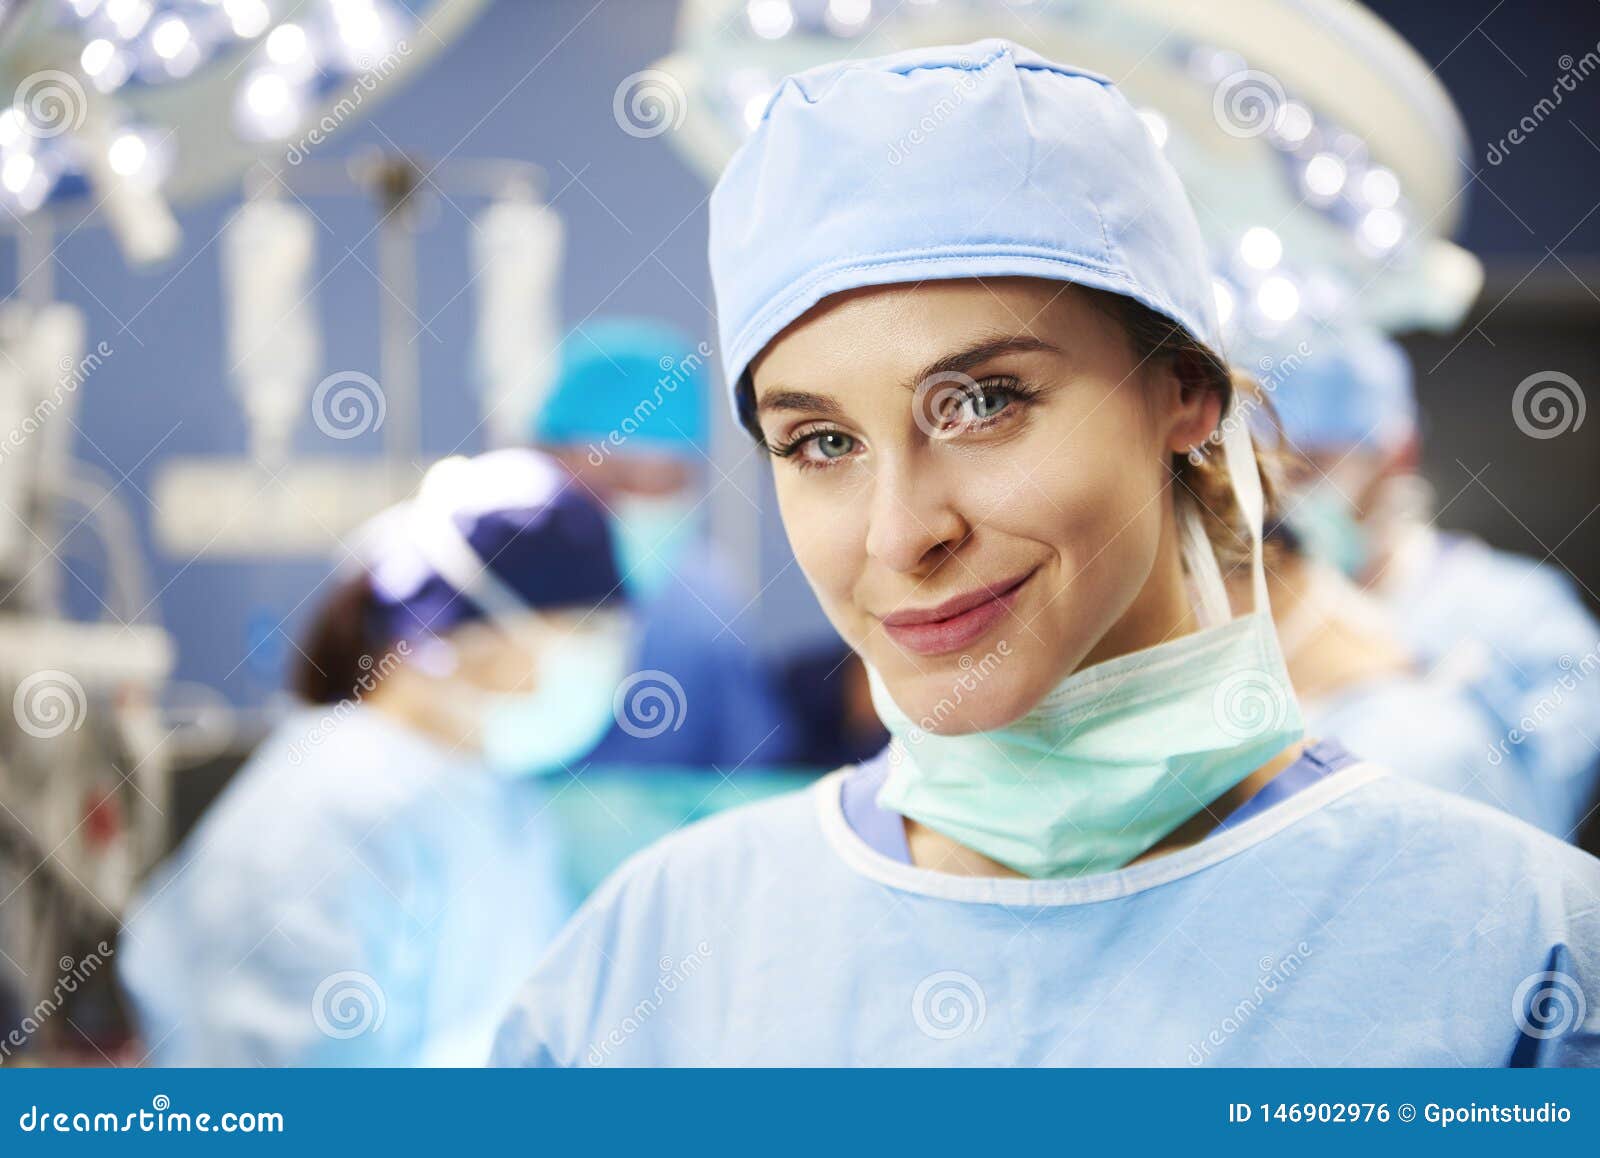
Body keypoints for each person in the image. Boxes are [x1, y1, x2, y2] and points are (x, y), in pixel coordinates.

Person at [492, 42, 1600, 1066]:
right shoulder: (657, 962)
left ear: (1185, 394)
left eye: (982, 402)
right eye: (819, 441)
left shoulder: (1518, 951)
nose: (898, 532)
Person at [119, 449, 632, 1065]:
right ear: (458, 633)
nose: (601, 666)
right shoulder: (330, 812)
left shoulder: (489, 796)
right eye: (583, 634)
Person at [1270, 331, 1600, 838]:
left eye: (1314, 463)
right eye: (1276, 471)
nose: (1292, 494)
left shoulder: (1523, 614)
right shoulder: (1261, 622)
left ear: (1397, 456)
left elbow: (1535, 824)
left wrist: (1398, 679)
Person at [533, 317, 793, 768]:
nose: (635, 505)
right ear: (543, 463)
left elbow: (748, 772)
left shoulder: (705, 603)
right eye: (611, 481)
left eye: (663, 485)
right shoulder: (481, 588)